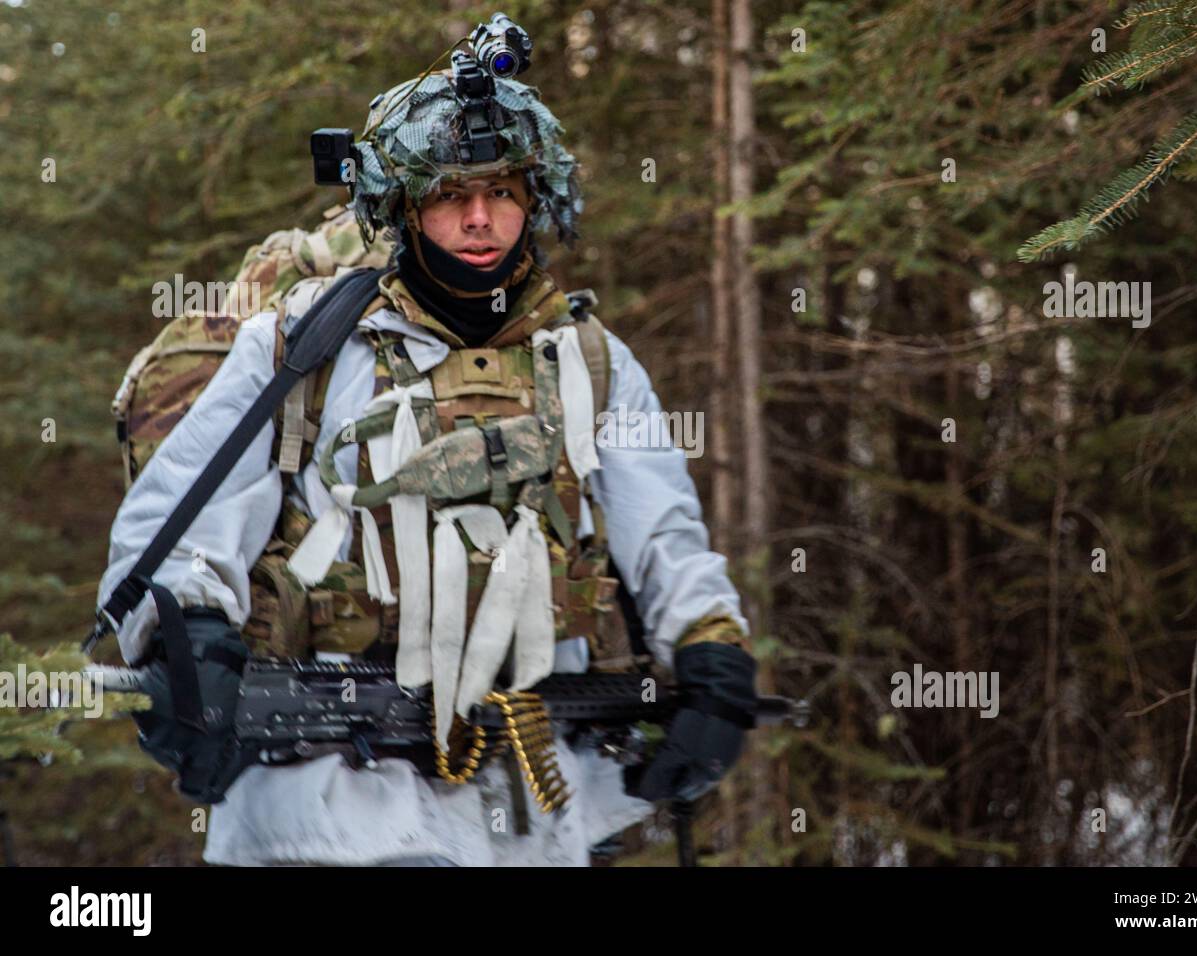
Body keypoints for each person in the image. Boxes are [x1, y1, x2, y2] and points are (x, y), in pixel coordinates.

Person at [97, 56, 758, 866]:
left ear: (534, 200)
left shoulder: (591, 359)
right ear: (404, 203)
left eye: (503, 193)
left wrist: (712, 648)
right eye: (451, 195)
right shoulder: (304, 343)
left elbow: (666, 539)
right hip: (329, 811)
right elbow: (183, 519)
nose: (481, 219)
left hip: (540, 810)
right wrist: (189, 643)